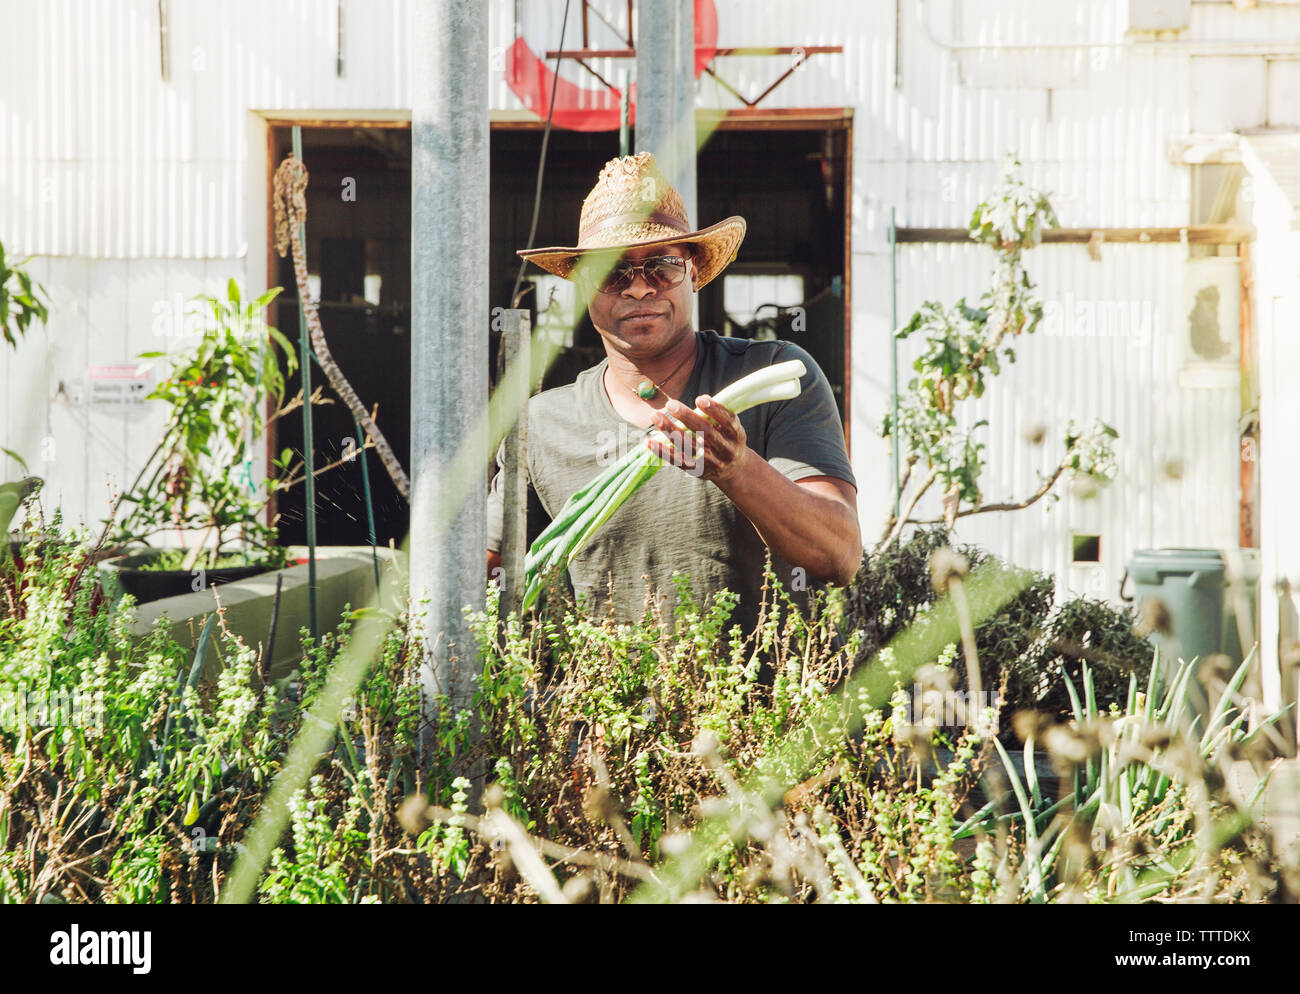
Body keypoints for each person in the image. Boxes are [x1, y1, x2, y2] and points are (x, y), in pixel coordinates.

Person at [487, 152, 860, 635]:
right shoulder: (542, 424)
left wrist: (736, 469)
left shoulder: (774, 380)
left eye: (662, 265)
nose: (639, 289)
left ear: (694, 272)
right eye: (612, 271)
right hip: (597, 709)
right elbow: (492, 579)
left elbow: (839, 556)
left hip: (751, 709)